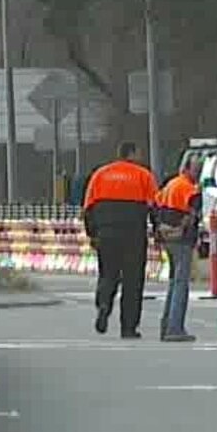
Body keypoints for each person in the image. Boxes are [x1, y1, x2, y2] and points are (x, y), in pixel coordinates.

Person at [84, 142, 159, 339]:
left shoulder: (100, 175)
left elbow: (88, 209)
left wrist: (92, 233)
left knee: (108, 274)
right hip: (133, 234)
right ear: (132, 153)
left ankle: (103, 304)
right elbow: (154, 207)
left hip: (106, 233)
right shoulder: (143, 175)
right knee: (132, 281)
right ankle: (128, 328)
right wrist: (158, 232)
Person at [156, 158, 202, 342]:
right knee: (181, 283)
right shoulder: (189, 189)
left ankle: (167, 325)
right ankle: (175, 328)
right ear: (187, 168)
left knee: (174, 282)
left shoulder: (171, 185)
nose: (198, 173)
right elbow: (192, 214)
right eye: (196, 169)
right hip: (181, 238)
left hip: (167, 236)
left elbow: (156, 204)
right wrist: (185, 228)